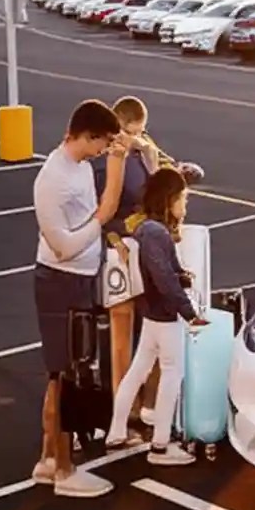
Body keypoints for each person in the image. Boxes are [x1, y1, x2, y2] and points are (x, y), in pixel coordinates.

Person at [30, 99, 131, 498]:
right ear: (87, 135)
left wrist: (125, 151)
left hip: (79, 280)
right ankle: (65, 472)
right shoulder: (51, 179)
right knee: (64, 377)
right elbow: (61, 246)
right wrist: (100, 222)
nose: (105, 149)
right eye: (103, 143)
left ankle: (49, 458)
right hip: (60, 281)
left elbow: (102, 205)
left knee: (63, 375)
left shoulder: (82, 167)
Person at [104, 167, 209, 465]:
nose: (185, 206)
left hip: (151, 315)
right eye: (183, 199)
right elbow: (163, 277)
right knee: (173, 373)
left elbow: (166, 271)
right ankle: (161, 445)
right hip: (164, 318)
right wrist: (190, 314)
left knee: (137, 371)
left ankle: (116, 431)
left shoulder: (146, 228)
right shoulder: (156, 233)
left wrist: (180, 276)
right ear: (169, 199)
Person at [92, 96, 158, 426]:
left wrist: (148, 152)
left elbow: (155, 194)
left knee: (149, 329)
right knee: (121, 331)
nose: (135, 137)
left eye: (141, 132)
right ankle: (122, 405)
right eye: (133, 131)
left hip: (143, 247)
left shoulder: (139, 153)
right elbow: (100, 212)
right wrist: (115, 240)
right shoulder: (106, 162)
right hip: (118, 250)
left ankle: (145, 400)